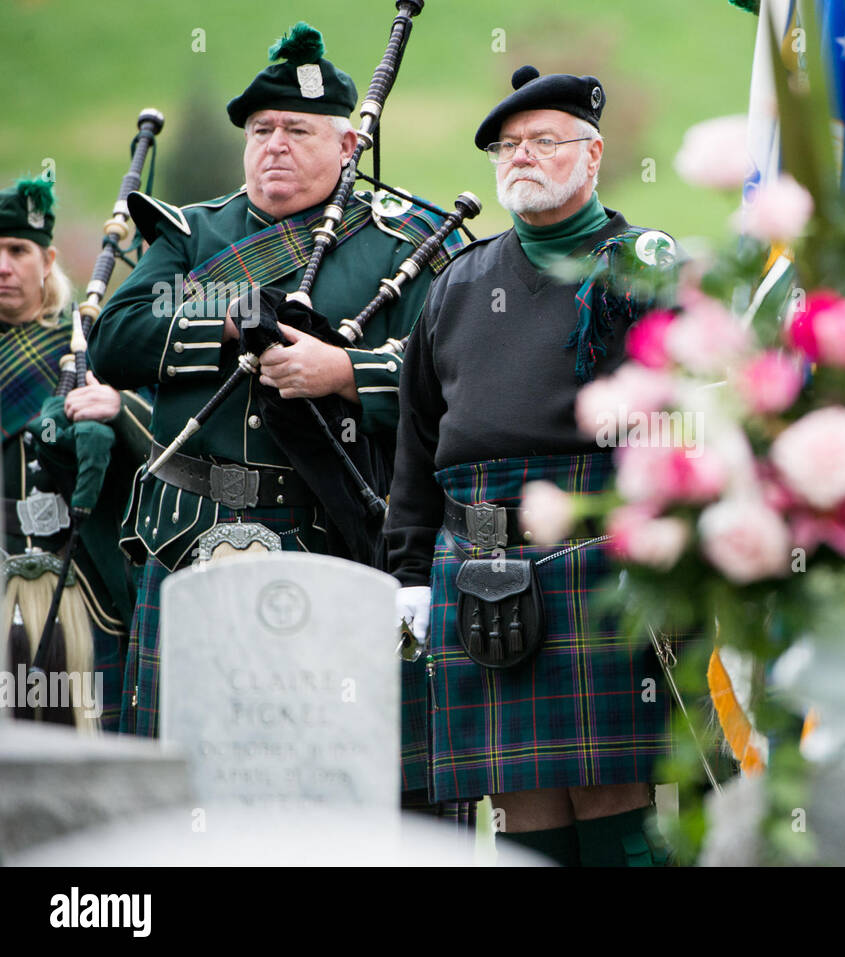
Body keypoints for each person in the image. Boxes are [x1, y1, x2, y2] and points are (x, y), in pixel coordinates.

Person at [87, 22, 462, 767]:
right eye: (261, 129)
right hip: (189, 535)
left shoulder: (403, 245)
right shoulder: (192, 237)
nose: (275, 145)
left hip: (336, 531)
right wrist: (227, 326)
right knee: (185, 776)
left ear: (348, 146)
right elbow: (117, 339)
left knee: (321, 767)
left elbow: (449, 377)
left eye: (297, 128)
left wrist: (343, 372)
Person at [386, 65, 684, 866]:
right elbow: (417, 440)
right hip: (472, 557)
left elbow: (691, 413)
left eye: (543, 141)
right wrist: (412, 570)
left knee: (612, 785)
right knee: (516, 801)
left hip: (598, 554)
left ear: (591, 157)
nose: (521, 156)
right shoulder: (457, 285)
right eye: (507, 146)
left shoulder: (644, 268)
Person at [1, 175, 149, 731]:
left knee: (91, 741)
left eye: (17, 250)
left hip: (83, 584)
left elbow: (156, 435)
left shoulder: (89, 350)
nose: (4, 267)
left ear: (48, 260)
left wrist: (114, 409)